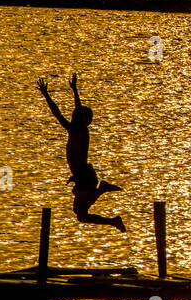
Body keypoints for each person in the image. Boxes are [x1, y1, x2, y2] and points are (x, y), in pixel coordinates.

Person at [37, 74, 125, 232]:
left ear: (83, 120)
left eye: (76, 117)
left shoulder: (83, 132)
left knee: (80, 213)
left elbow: (79, 110)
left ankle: (103, 192)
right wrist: (46, 95)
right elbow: (56, 113)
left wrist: (75, 90)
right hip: (82, 175)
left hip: (85, 175)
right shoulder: (71, 130)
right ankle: (113, 219)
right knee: (81, 215)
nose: (72, 118)